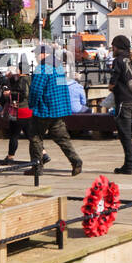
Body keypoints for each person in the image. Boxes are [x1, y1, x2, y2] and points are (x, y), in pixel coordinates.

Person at [26, 44, 83, 178]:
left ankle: (37, 167)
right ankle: (75, 160)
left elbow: (36, 90)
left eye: (37, 54)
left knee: (35, 137)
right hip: (58, 110)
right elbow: (62, 88)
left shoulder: (43, 68)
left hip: (44, 110)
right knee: (62, 138)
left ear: (43, 54)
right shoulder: (58, 67)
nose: (36, 57)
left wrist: (31, 105)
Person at [109, 35, 132, 175]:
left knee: (125, 135)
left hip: (123, 102)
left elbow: (113, 81)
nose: (112, 48)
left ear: (118, 47)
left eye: (113, 46)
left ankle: (129, 165)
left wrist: (111, 87)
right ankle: (128, 164)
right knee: (127, 134)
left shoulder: (118, 61)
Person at [0, 66, 34, 163]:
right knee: (30, 135)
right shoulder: (31, 79)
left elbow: (22, 94)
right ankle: (44, 153)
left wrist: (9, 93)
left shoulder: (21, 80)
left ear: (20, 70)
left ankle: (10, 157)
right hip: (28, 110)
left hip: (19, 110)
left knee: (14, 135)